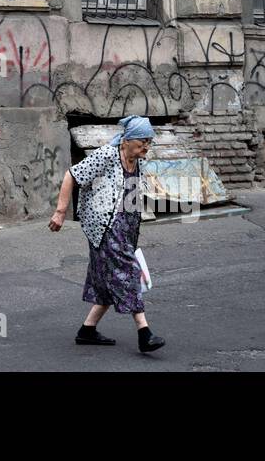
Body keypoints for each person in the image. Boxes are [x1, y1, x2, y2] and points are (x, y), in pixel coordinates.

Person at [48, 114, 166, 354]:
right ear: (127, 140)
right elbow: (72, 175)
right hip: (104, 226)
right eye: (143, 141)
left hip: (127, 227)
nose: (146, 146)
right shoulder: (107, 155)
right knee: (128, 273)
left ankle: (87, 330)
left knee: (105, 281)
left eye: (149, 141)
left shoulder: (137, 161)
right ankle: (144, 333)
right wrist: (60, 212)